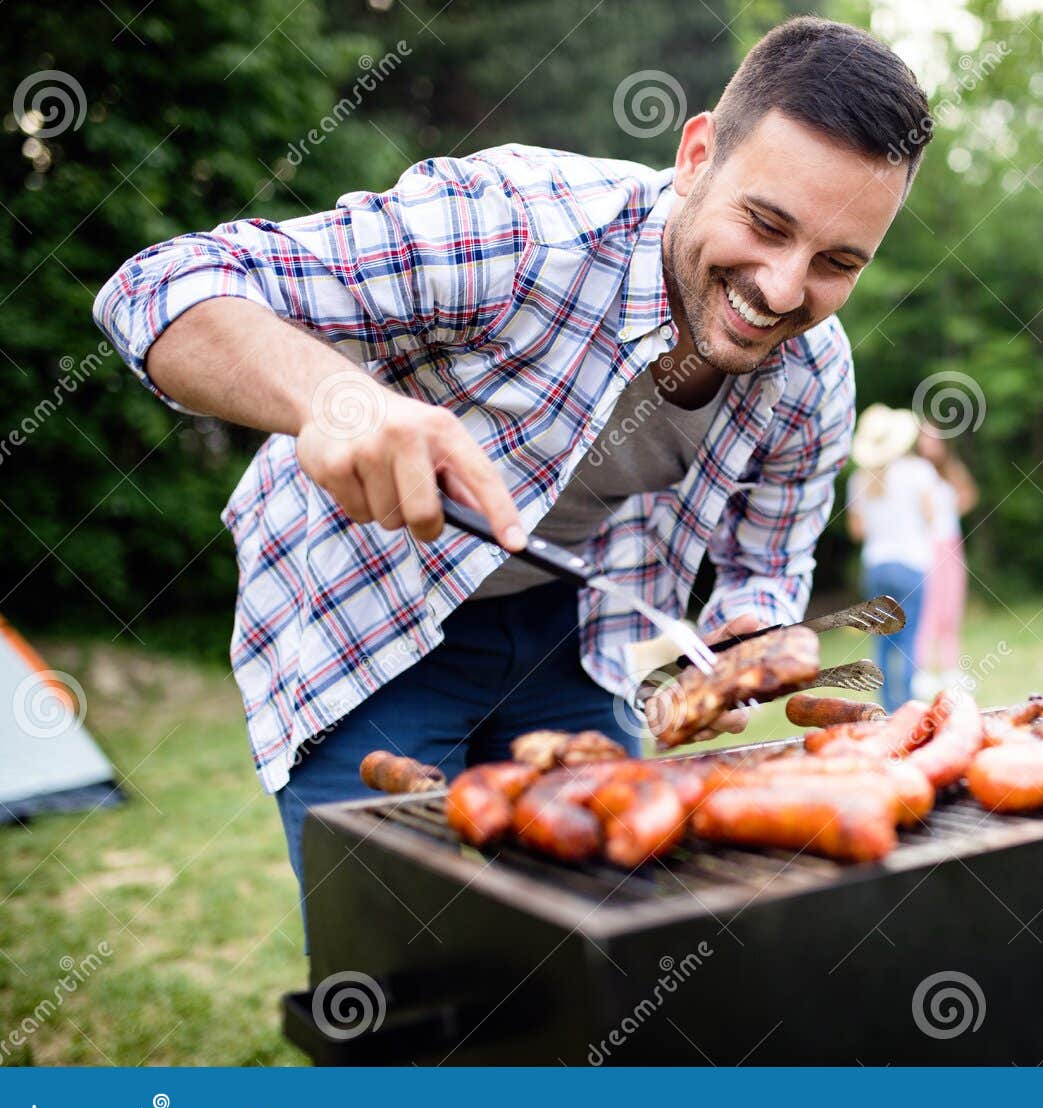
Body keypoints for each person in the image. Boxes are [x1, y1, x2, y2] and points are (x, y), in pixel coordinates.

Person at [92, 17, 931, 889]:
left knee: (605, 928)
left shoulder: (815, 378)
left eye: (837, 261)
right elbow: (157, 286)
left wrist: (743, 634)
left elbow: (768, 564)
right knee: (394, 960)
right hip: (369, 616)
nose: (783, 289)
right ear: (695, 156)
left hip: (582, 638)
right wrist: (336, 399)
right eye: (764, 223)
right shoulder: (518, 227)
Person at [846, 405, 939, 710]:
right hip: (911, 563)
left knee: (882, 641)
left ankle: (885, 706)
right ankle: (910, 705)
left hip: (876, 566)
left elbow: (857, 530)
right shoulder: (918, 471)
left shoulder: (858, 479)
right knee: (910, 638)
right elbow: (930, 516)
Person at [912, 422, 978, 694]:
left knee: (951, 607)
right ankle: (923, 672)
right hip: (925, 547)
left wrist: (950, 511)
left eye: (935, 439)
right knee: (928, 609)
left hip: (951, 544)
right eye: (926, 439)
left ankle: (950, 669)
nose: (931, 444)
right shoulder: (914, 472)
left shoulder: (952, 469)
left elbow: (969, 495)